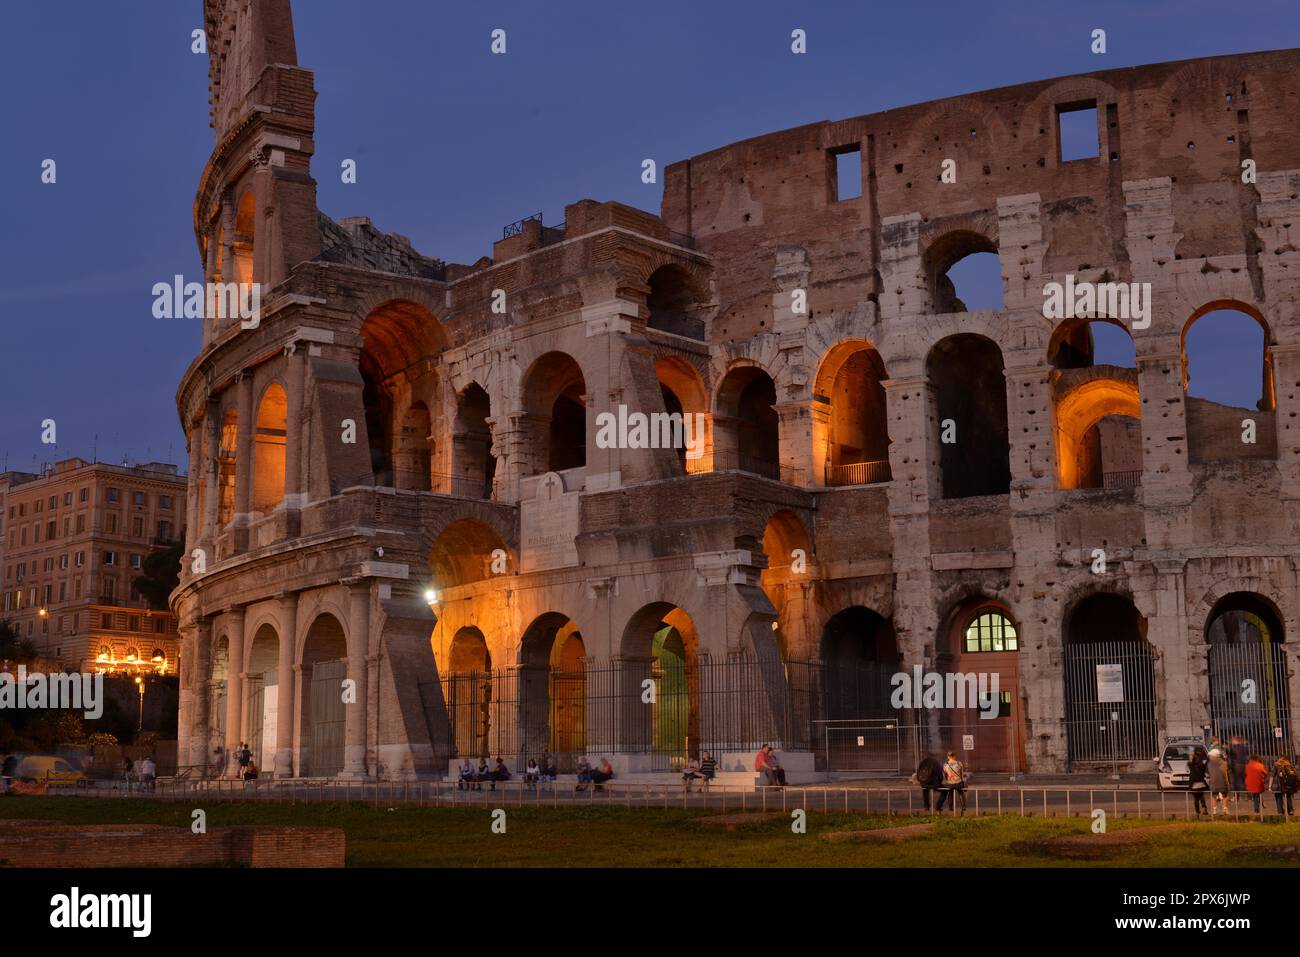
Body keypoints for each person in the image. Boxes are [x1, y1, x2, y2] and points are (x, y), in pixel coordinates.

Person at [1207, 747, 1231, 816]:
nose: (1209, 757)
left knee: (1214, 796)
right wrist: (1227, 782)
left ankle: (1214, 810)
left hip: (1213, 782)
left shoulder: (1209, 764)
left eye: (1211, 756)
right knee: (1225, 796)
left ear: (1214, 756)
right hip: (1223, 782)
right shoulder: (1224, 763)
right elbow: (1226, 772)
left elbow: (1208, 772)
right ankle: (1225, 809)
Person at [1188, 746, 1210, 817]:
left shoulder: (1191, 765)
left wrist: (1191, 754)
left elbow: (1189, 761)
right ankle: (1204, 808)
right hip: (1201, 784)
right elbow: (1207, 762)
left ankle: (1197, 812)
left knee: (1196, 799)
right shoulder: (1202, 765)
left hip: (1194, 784)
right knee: (1201, 796)